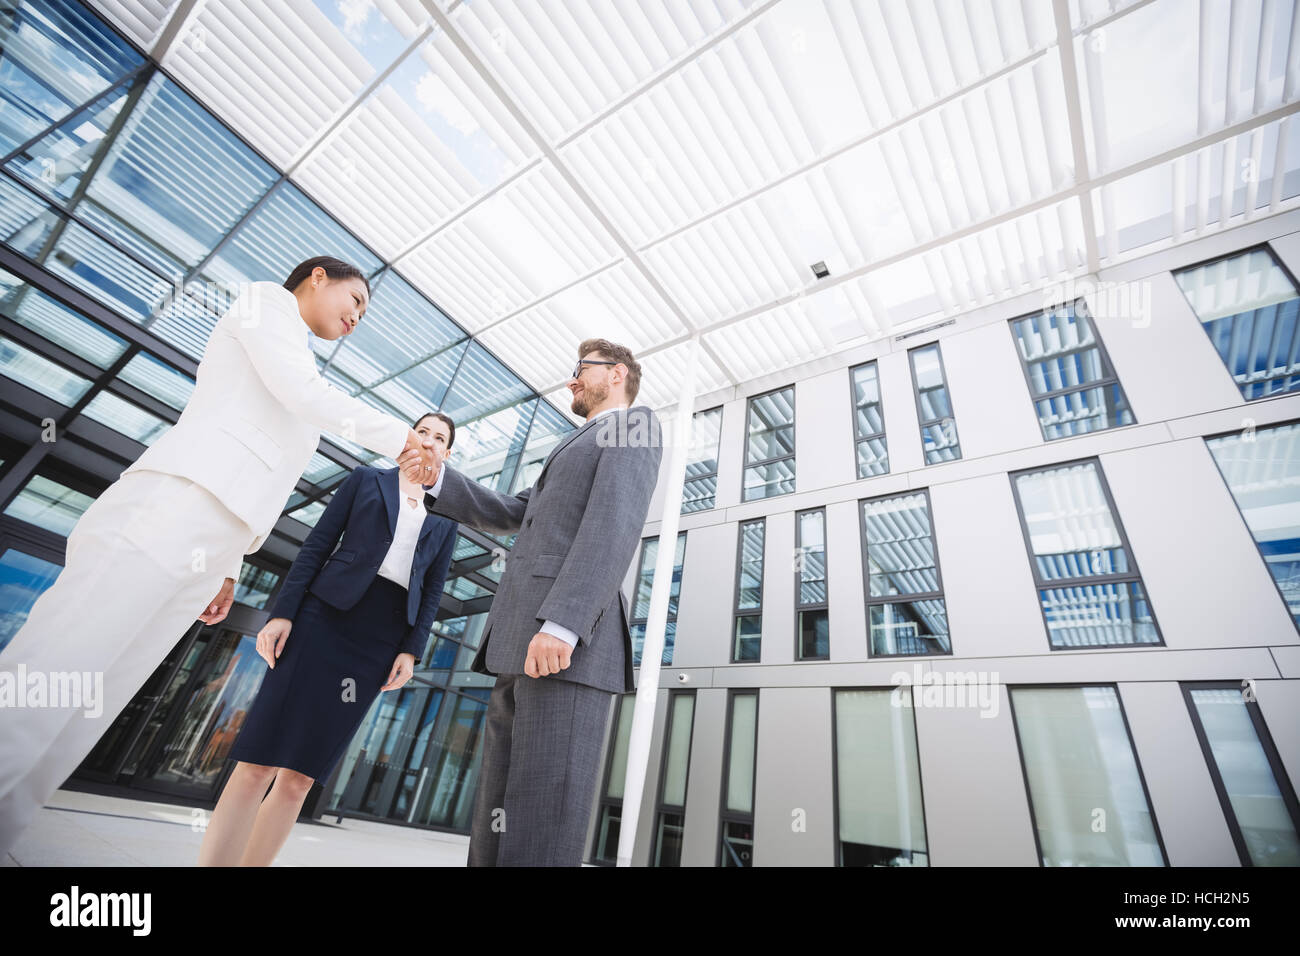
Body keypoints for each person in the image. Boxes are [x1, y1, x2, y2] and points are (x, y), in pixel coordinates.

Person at [0, 256, 441, 855]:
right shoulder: (266, 304)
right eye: (356, 300)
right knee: (61, 666)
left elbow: (266, 464)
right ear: (317, 277)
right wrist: (400, 437)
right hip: (172, 505)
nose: (357, 317)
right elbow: (299, 393)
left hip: (211, 542)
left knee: (93, 703)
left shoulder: (299, 359)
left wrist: (229, 566)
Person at [421, 338, 663, 866]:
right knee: (496, 817)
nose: (571, 379)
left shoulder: (633, 425)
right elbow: (514, 511)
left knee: (542, 824)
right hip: (518, 641)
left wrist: (564, 623)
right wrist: (437, 479)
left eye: (581, 369)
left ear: (617, 374)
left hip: (565, 647)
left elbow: (613, 526)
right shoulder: (574, 443)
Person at [197, 412, 459, 866]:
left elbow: (433, 588)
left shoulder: (448, 516)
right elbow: (317, 546)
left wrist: (411, 649)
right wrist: (284, 614)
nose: (430, 441)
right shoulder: (366, 480)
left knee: (300, 777)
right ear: (408, 437)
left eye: (440, 438)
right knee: (259, 760)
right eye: (423, 432)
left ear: (448, 453)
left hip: (379, 641)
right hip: (322, 620)